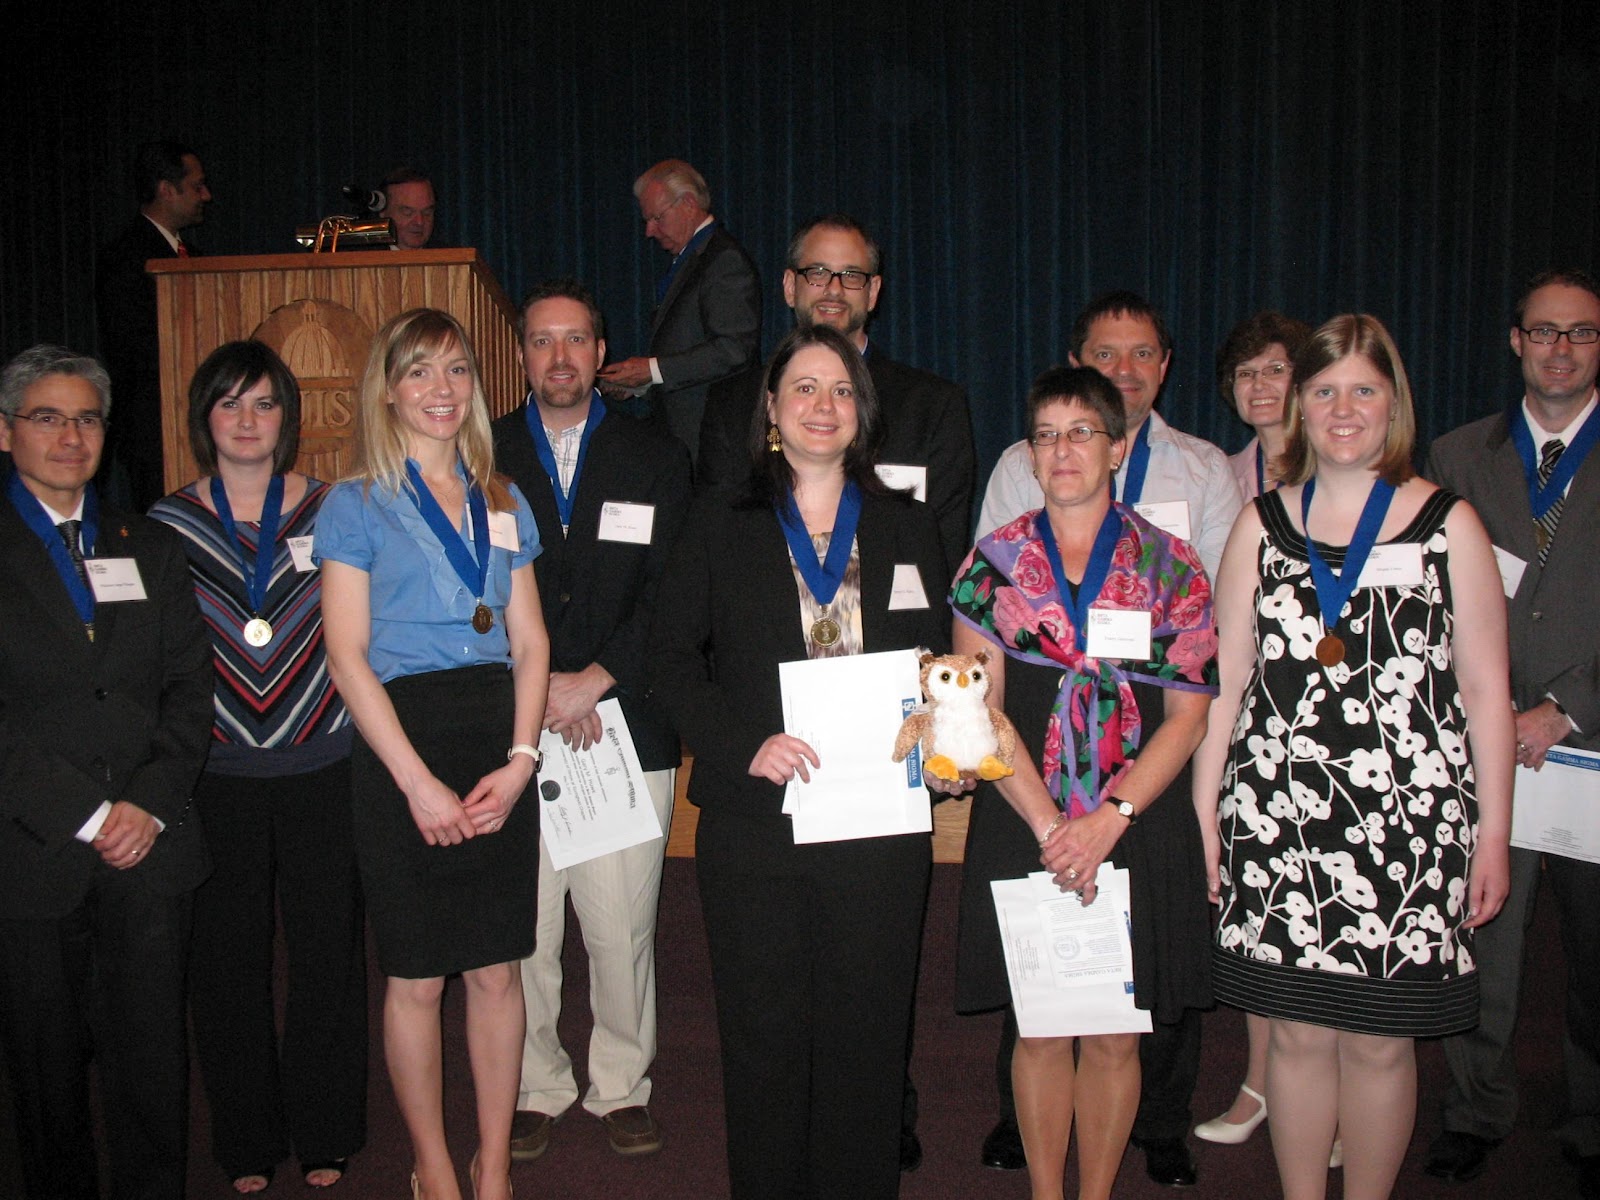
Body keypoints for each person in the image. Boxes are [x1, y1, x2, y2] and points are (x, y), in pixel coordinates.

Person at [1192, 314, 1514, 1200]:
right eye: (1324, 390)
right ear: (1299, 405)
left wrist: (1491, 840)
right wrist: (1205, 817)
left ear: (1393, 404)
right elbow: (1225, 686)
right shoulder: (1260, 525)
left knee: (1379, 1040)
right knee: (1294, 1032)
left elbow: (1486, 694)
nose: (1343, 409)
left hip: (1407, 825)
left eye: (1363, 390)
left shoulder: (1451, 527)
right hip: (1274, 815)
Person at [649, 324, 950, 1199]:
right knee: (764, 1035)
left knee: (867, 1031)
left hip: (879, 823)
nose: (825, 406)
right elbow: (669, 659)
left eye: (843, 390)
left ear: (864, 412)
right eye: (805, 389)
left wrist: (945, 737)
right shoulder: (718, 518)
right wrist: (744, 744)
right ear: (771, 412)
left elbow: (937, 663)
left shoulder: (905, 520)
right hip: (758, 824)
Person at [974, 292, 1241, 1184]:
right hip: (1027, 811)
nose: (1062, 452)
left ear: (1119, 447)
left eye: (1082, 433)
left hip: (1141, 816)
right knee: (1046, 1026)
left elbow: (1190, 712)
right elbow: (981, 702)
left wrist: (1109, 817)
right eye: (1046, 435)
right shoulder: (996, 561)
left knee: (1118, 1033)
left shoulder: (1171, 566)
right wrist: (1056, 824)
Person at [316, 308, 551, 1200]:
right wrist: (414, 783)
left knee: (496, 969)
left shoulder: (502, 498)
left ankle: (493, 1165)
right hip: (399, 745)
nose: (441, 390)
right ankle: (436, 1167)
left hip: (496, 739)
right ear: (387, 388)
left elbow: (530, 643)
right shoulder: (356, 502)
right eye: (419, 373)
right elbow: (346, 655)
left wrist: (524, 758)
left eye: (455, 371)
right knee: (415, 976)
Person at [149, 341, 366, 1193]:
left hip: (326, 762)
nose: (247, 419)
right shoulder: (163, 526)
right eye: (230, 403)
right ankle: (245, 1141)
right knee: (226, 965)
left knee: (328, 958)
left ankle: (326, 1129)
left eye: (265, 403)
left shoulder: (334, 510)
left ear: (288, 416)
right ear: (205, 417)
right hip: (217, 774)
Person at [0, 344, 214, 1200]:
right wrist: (89, 815)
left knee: (152, 1068)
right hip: (32, 850)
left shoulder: (148, 545)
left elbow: (187, 693)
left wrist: (147, 806)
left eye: (86, 417)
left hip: (150, 847)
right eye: (47, 417)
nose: (69, 435)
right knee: (44, 1079)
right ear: (7, 429)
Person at [493, 280, 691, 1162]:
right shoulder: (480, 454)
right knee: (526, 928)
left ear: (600, 348)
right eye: (543, 341)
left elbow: (679, 592)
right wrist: (539, 692)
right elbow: (470, 591)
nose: (561, 357)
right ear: (524, 353)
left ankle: (620, 1083)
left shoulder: (657, 456)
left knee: (620, 929)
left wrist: (599, 678)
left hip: (628, 719)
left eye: (576, 339)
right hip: (513, 730)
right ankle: (535, 1082)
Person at [1422, 269, 1600, 1199]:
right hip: (1482, 744)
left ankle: (1593, 1117)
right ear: (1514, 341)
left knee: (1596, 951)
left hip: (1592, 746)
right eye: (1543, 332)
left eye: (1580, 334)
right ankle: (1474, 1110)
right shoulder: (1456, 456)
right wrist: (1487, 713)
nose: (1560, 349)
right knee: (1481, 935)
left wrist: (1567, 709)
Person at [699, 213, 975, 578]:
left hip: (888, 624)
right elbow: (716, 542)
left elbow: (940, 556)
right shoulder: (733, 404)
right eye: (817, 272)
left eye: (851, 276)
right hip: (764, 619)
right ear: (789, 286)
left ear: (873, 292)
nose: (834, 289)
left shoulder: (933, 407)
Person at [1193, 309, 1312, 1149]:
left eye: (1277, 370)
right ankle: (1262, 1081)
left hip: (1328, 730)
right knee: (1258, 907)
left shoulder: (1352, 468)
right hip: (1238, 715)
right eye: (1247, 375)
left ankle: (1328, 1092)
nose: (1262, 387)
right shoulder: (1215, 475)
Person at [598, 158, 760, 464]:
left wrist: (653, 370)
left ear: (687, 203)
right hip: (688, 441)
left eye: (657, 218)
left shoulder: (723, 260)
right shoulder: (694, 258)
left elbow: (734, 350)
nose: (649, 231)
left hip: (712, 446)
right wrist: (642, 383)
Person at [96, 140, 212, 510]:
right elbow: (130, 346)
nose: (206, 195)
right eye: (196, 185)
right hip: (154, 428)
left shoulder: (197, 259)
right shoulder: (126, 256)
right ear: (166, 189)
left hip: (199, 422)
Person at [1218, 311, 1311, 502]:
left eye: (1276, 370)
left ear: (1303, 380)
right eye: (1245, 373)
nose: (1258, 384)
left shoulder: (1333, 467)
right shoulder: (1220, 476)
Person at [382, 167, 437, 250]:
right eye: (408, 212)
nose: (419, 222)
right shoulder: (361, 257)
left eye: (427, 213)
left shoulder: (452, 257)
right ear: (383, 212)